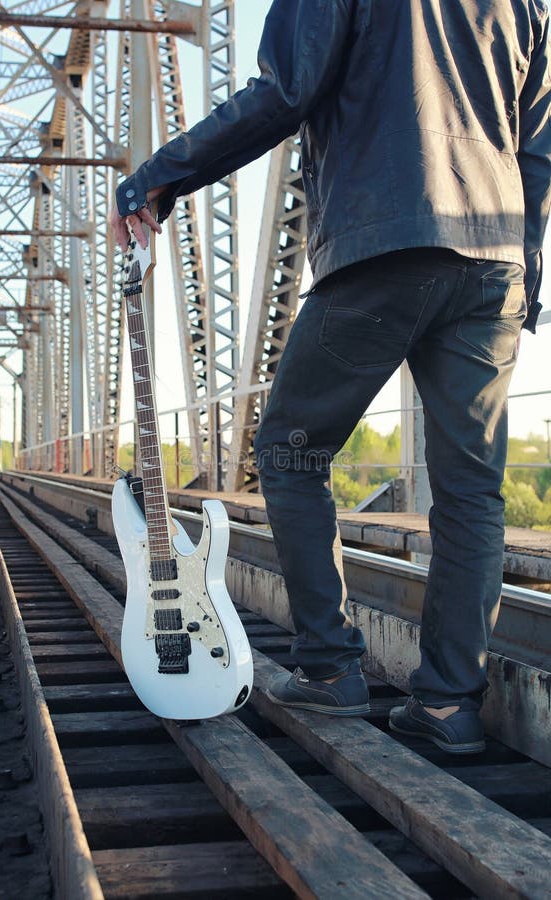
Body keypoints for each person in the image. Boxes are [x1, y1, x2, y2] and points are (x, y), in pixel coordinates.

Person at [111, 0, 551, 754]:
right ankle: (449, 706)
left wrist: (160, 175)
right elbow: (539, 148)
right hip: (496, 257)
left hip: (385, 240)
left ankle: (328, 669)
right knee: (472, 488)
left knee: (287, 451)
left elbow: (286, 91)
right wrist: (527, 271)